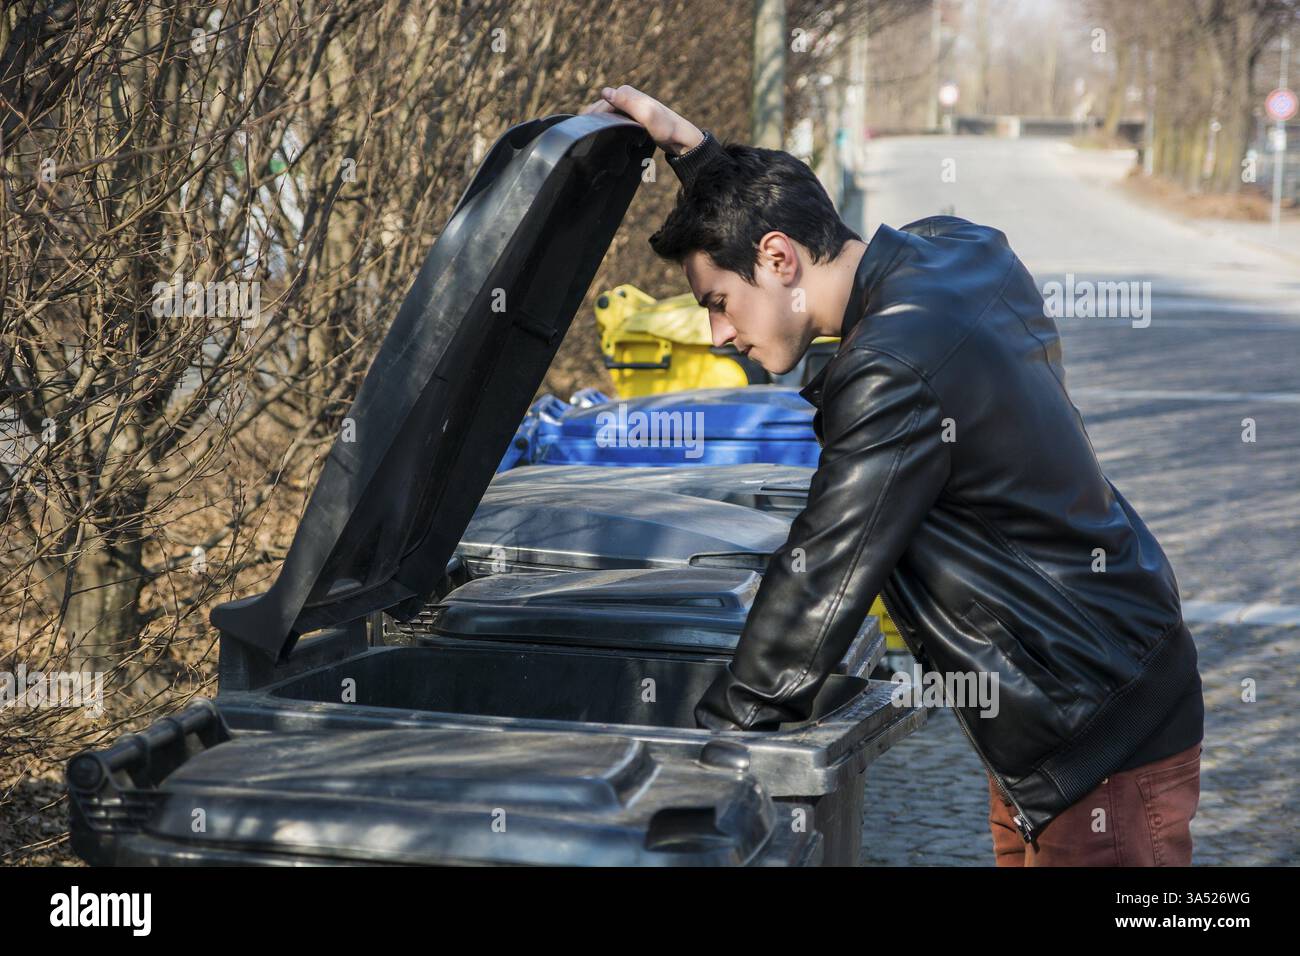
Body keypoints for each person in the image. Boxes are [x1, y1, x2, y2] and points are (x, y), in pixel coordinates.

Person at [580, 86, 1203, 866]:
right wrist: (700, 158)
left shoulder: (888, 370)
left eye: (719, 302)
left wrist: (714, 750)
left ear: (777, 259)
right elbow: (774, 221)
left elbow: (824, 573)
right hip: (1089, 691)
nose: (718, 334)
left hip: (1096, 725)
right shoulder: (958, 249)